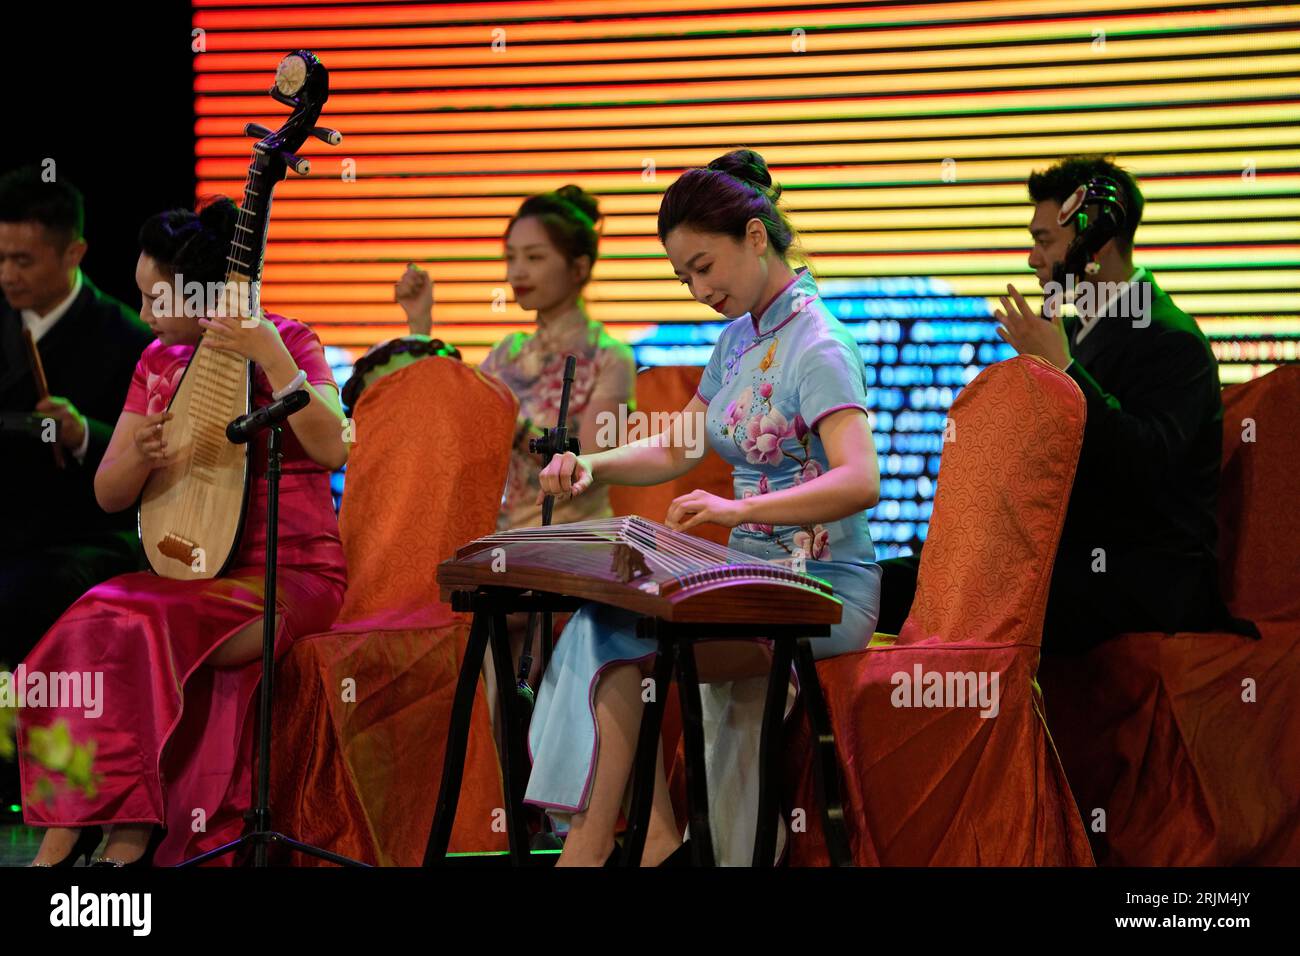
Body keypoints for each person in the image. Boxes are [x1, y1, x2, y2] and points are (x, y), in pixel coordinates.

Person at [526, 149, 882, 865]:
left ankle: (601, 848)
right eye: (683, 274)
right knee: (605, 623)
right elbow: (678, 447)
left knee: (615, 635)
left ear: (756, 237)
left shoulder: (818, 344)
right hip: (753, 580)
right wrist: (587, 461)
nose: (697, 288)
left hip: (820, 589)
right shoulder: (739, 339)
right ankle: (644, 842)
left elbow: (860, 480)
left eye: (704, 266)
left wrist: (733, 514)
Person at [18, 197, 349, 866]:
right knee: (88, 619)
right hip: (194, 569)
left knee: (140, 624)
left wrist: (270, 353)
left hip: (291, 576)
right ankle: (73, 830)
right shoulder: (159, 362)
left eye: (154, 299)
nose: (142, 315)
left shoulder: (289, 339)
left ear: (202, 298)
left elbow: (334, 446)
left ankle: (129, 837)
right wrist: (144, 452)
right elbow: (109, 494)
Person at [875, 154, 1244, 652]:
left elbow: (1145, 467)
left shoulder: (1170, 338)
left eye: (1044, 241)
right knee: (889, 580)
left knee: (971, 586)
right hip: (1074, 555)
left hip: (1144, 574)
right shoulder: (1073, 333)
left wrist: (1067, 374)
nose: (1031, 258)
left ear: (1097, 244)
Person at [391, 185, 636, 530]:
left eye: (534, 257)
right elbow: (450, 419)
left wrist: (506, 418)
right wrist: (420, 324)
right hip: (502, 538)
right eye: (511, 257)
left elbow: (584, 467)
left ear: (578, 267)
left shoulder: (611, 357)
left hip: (576, 543)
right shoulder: (508, 352)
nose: (516, 272)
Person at [0, 166, 153, 666]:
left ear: (74, 253)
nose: (6, 275)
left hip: (81, 538)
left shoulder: (127, 339)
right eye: (0, 258)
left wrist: (84, 432)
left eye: (22, 260)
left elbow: (148, 456)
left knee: (28, 591)